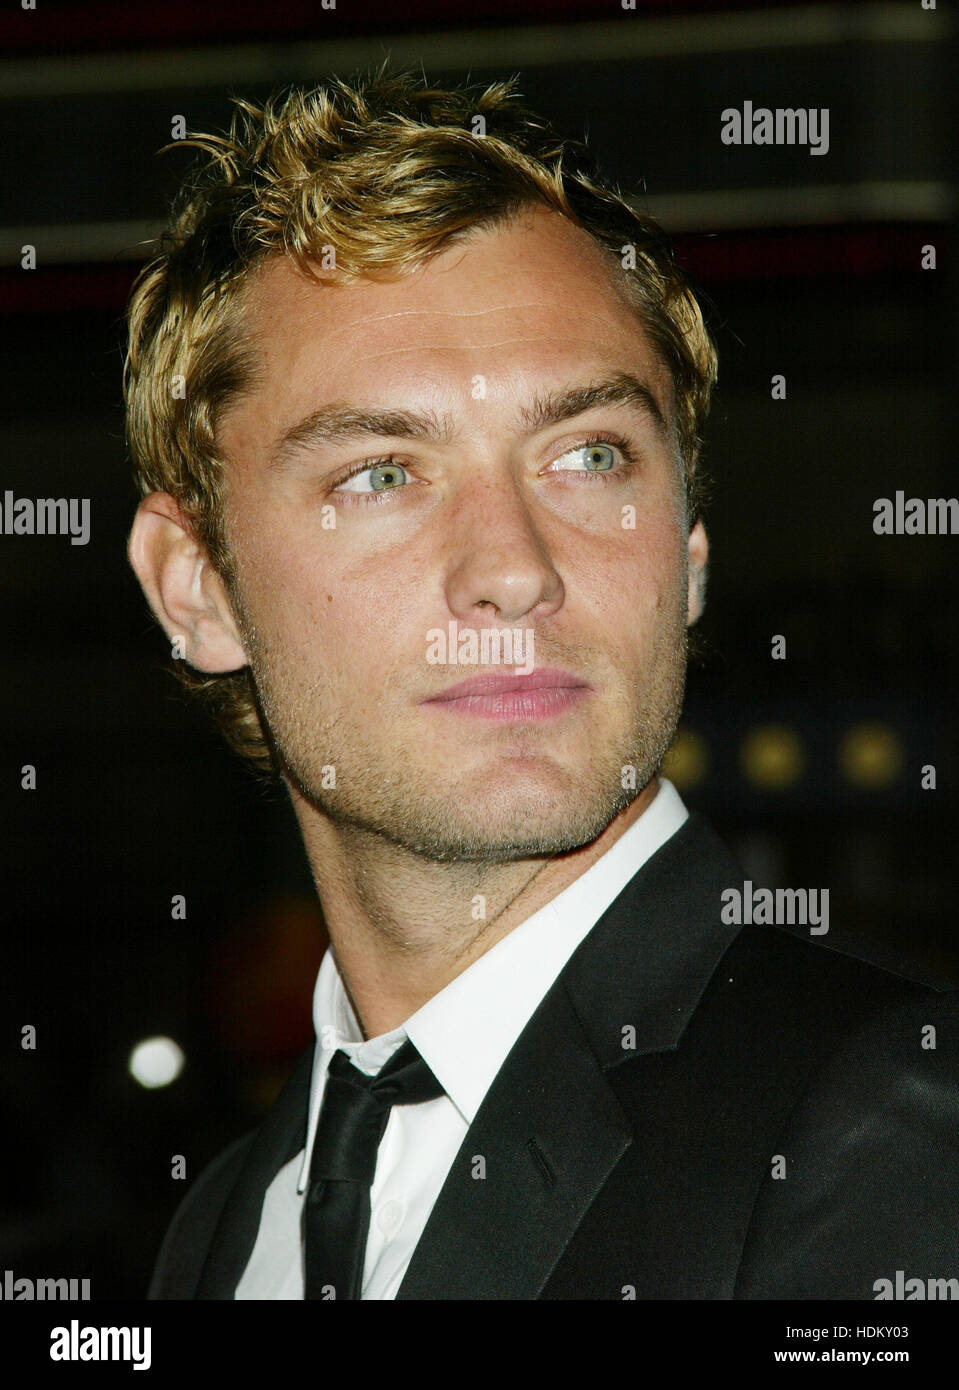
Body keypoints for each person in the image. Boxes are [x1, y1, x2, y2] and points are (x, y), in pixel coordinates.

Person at [126, 67, 959, 1301]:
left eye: (587, 454)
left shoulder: (889, 1124)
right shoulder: (226, 1226)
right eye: (382, 474)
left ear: (686, 552)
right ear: (194, 585)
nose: (512, 571)